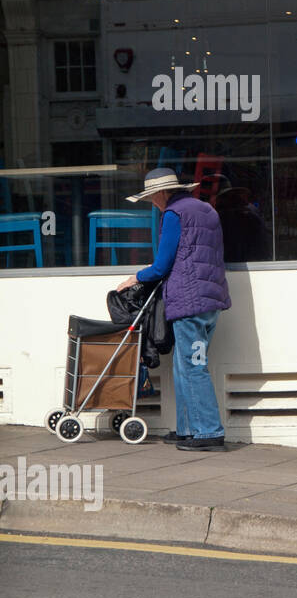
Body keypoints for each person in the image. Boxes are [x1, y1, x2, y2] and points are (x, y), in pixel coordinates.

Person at [115, 168, 231, 452]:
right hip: (210, 300)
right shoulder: (205, 209)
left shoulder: (174, 214)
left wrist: (135, 278)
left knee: (192, 366)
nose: (153, 203)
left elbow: (162, 264)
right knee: (183, 366)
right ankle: (188, 430)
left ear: (162, 193)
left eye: (153, 197)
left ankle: (209, 433)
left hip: (190, 302)